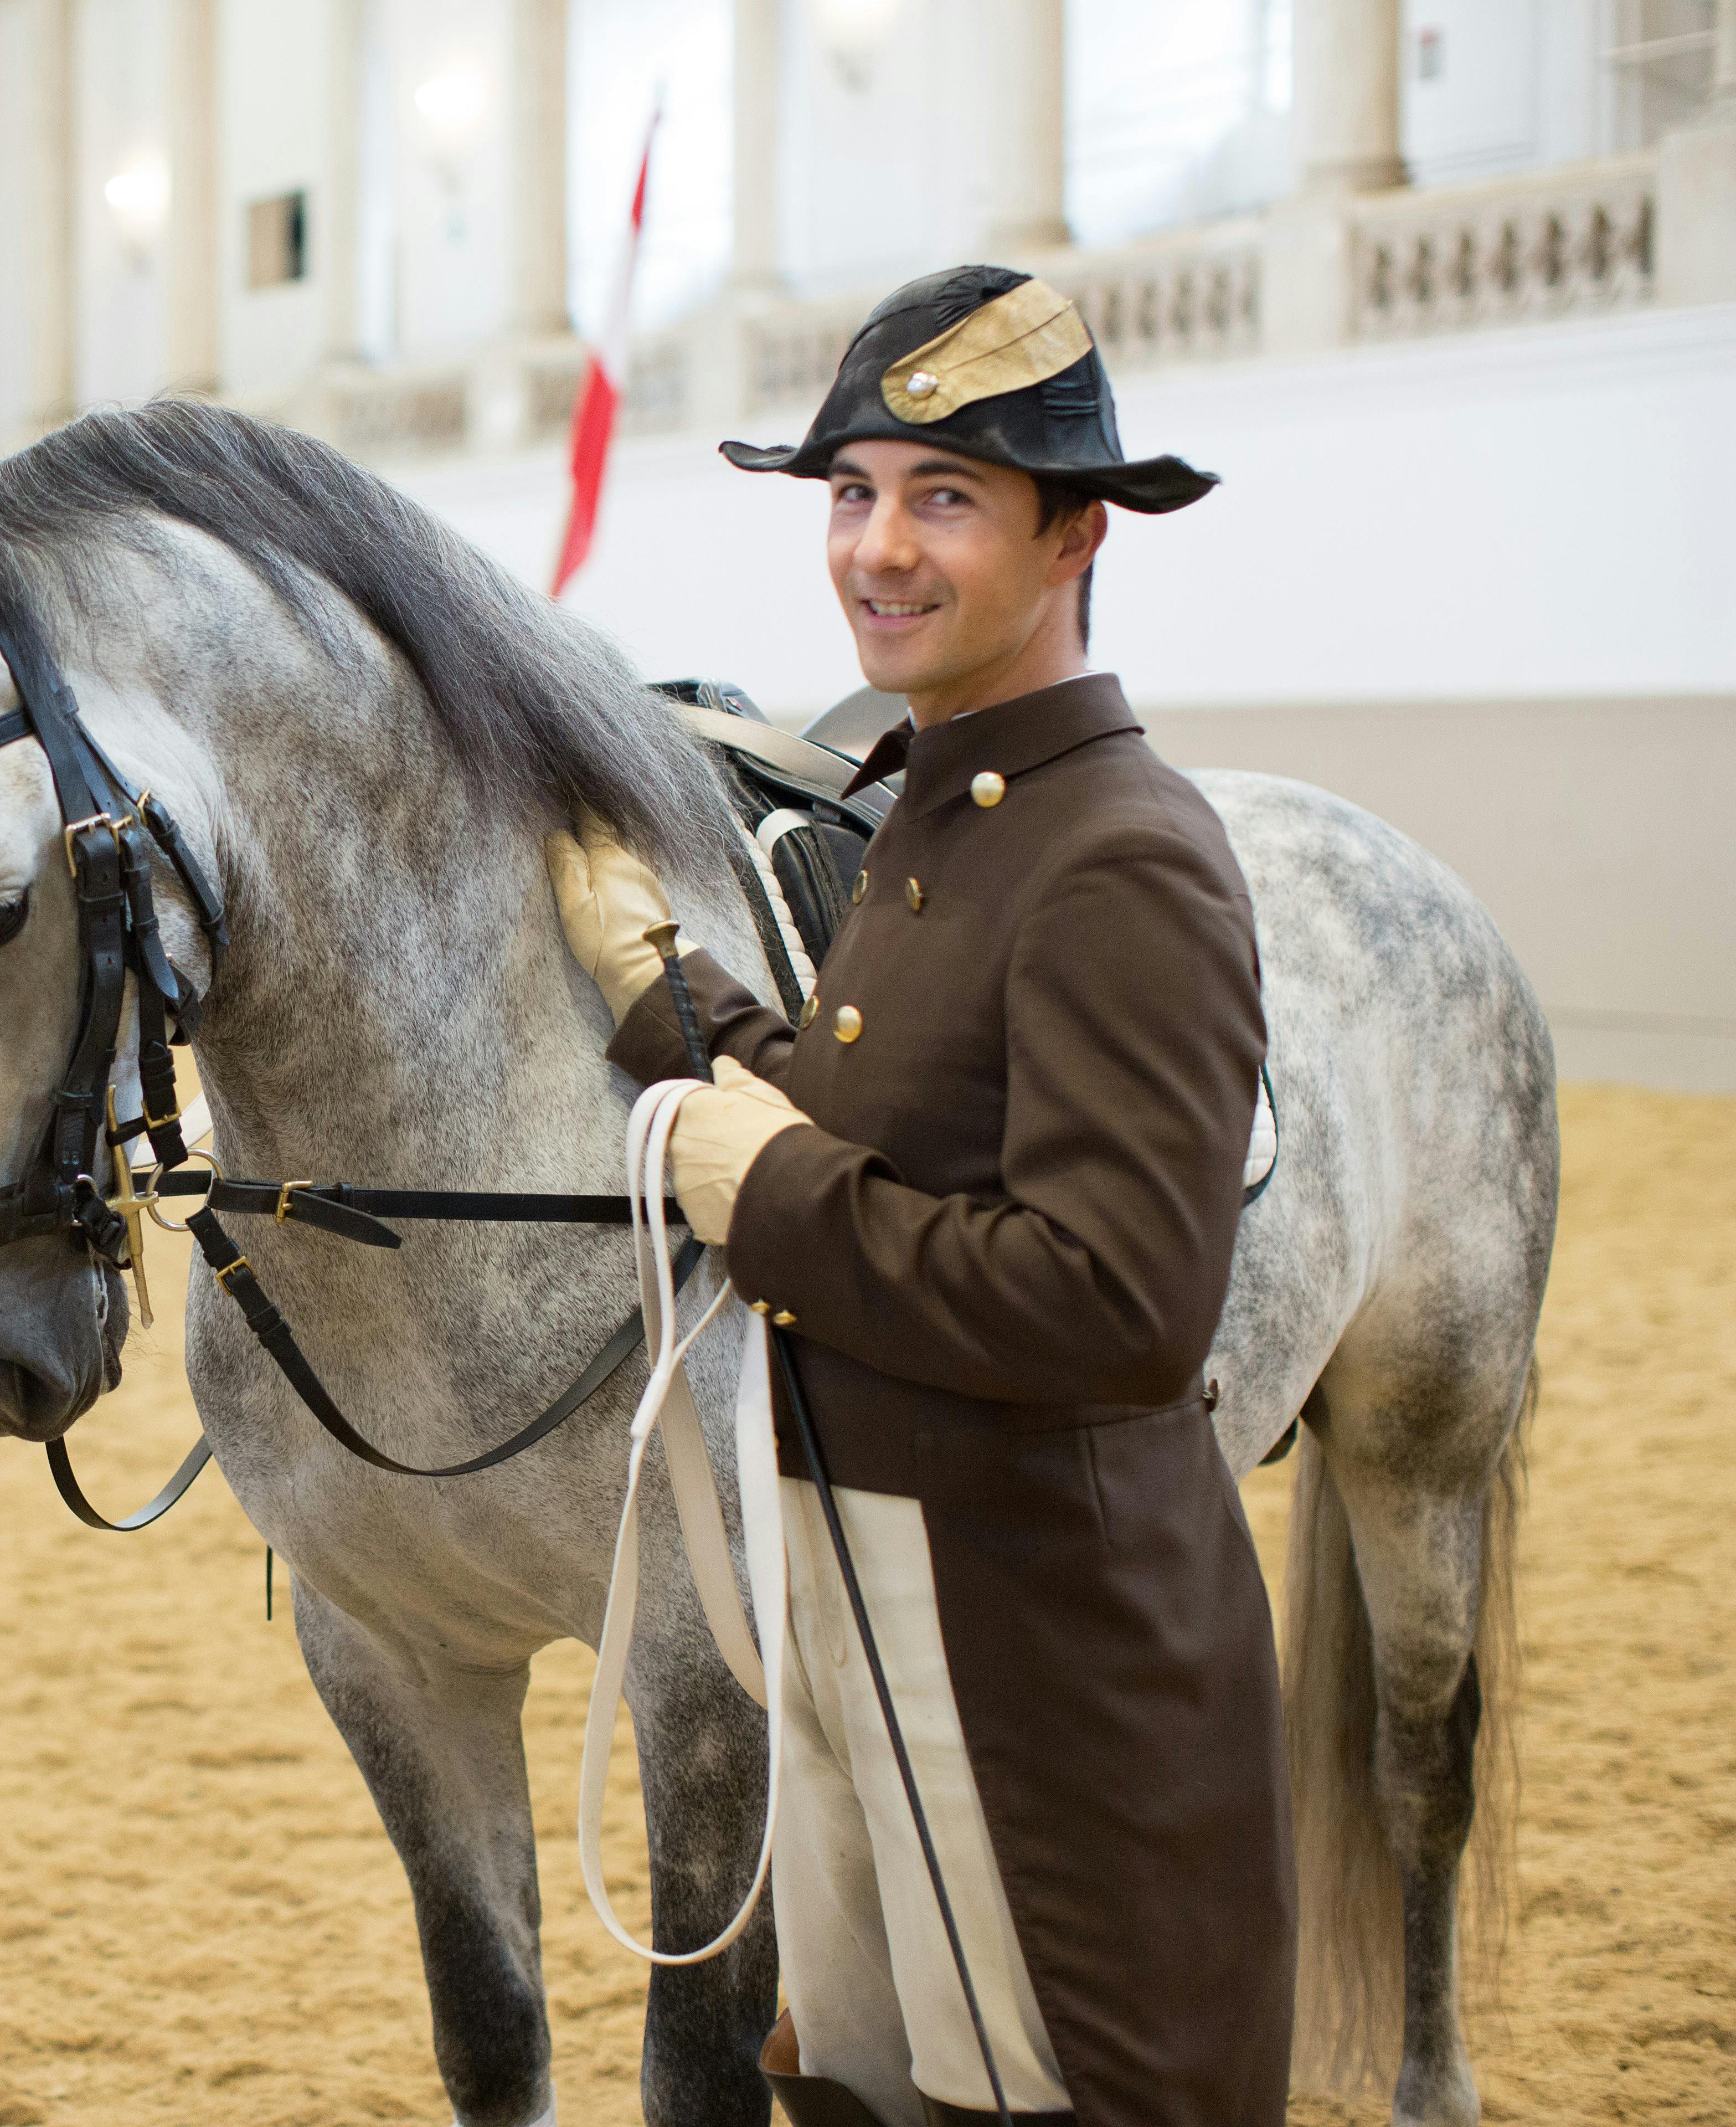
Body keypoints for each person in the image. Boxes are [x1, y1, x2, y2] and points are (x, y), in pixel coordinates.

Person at [548, 266, 1289, 2127]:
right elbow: (883, 1130)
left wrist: (769, 1191)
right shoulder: (948, 811)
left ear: (1077, 534)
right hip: (874, 1604)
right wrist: (672, 991)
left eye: (943, 498)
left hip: (1038, 1671)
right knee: (865, 2088)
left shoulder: (1120, 852)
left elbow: (1119, 1306)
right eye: (852, 494)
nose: (876, 548)